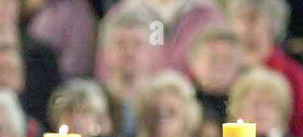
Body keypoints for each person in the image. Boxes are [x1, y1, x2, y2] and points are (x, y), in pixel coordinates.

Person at [228, 0, 303, 137]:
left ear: (272, 25)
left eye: (253, 19)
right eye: (239, 19)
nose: (244, 28)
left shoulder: (292, 74)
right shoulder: (221, 70)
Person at [96, 0, 227, 81]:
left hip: (196, 104)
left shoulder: (207, 13)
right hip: (139, 106)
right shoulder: (124, 12)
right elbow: (107, 69)